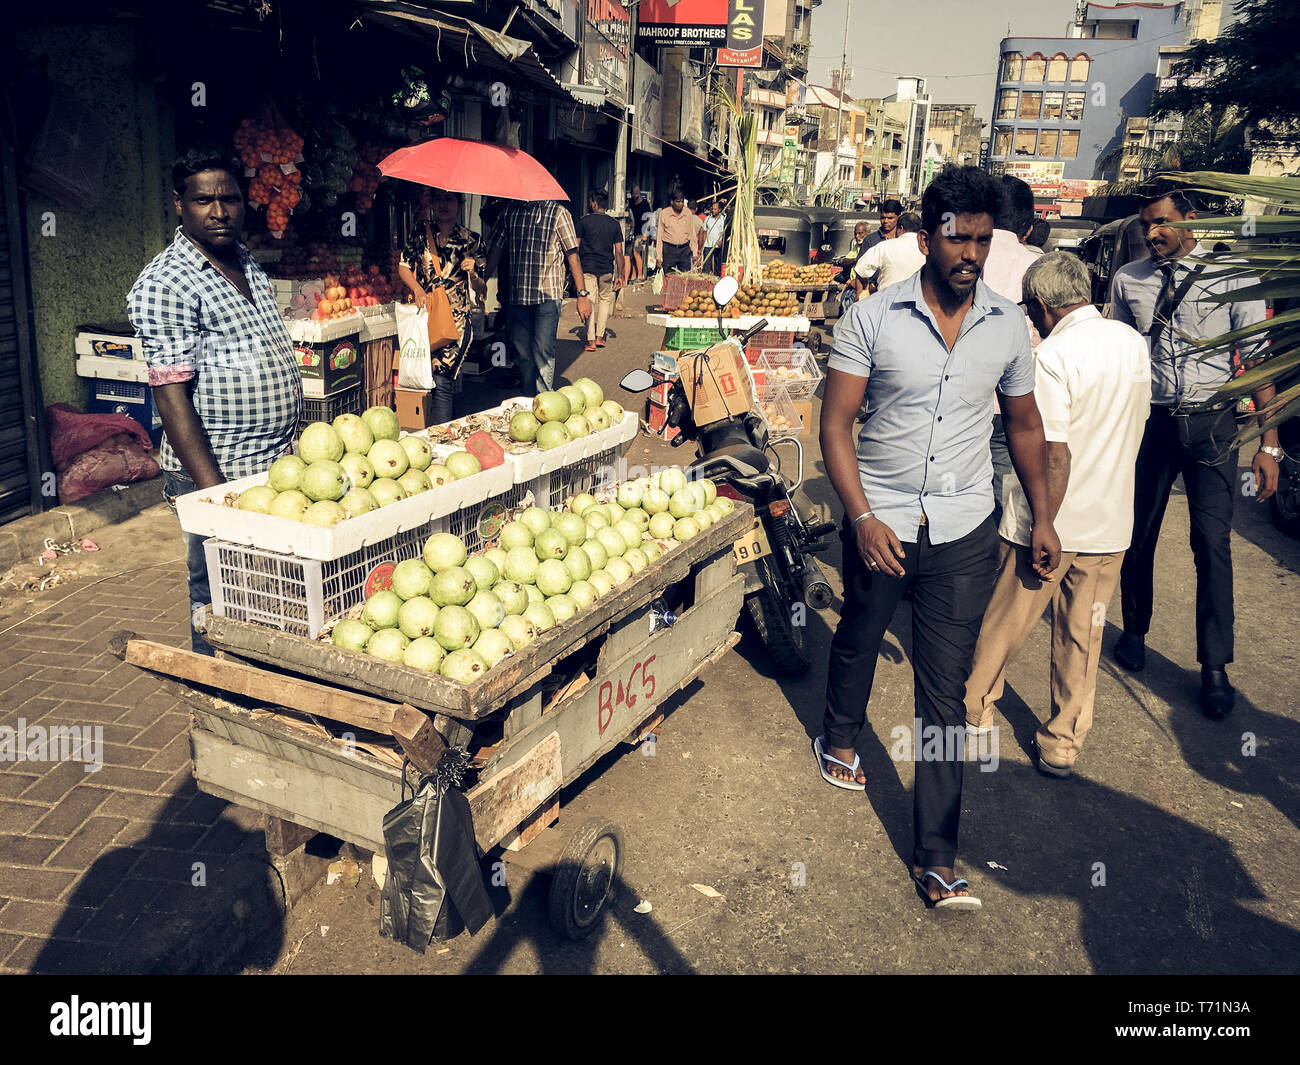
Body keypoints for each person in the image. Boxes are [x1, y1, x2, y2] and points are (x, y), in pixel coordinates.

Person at [817, 165, 1060, 909]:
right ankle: (838, 733)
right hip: (881, 519)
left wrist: (1043, 514)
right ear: (928, 237)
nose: (972, 255)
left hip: (962, 530)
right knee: (859, 631)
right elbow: (834, 425)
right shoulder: (873, 318)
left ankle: (937, 852)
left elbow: (1023, 425)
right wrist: (860, 519)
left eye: (984, 242)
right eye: (960, 239)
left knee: (944, 693)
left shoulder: (1006, 325)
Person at [963, 252, 1151, 776]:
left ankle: (976, 711)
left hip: (1048, 524)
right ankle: (1063, 744)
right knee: (1082, 636)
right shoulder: (1133, 344)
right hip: (1109, 521)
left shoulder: (1053, 356)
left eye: (1029, 309)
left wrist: (1043, 522)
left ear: (1043, 305)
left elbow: (1054, 451)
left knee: (1005, 621)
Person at [1107, 181, 1280, 718]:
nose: (1152, 232)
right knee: (1138, 533)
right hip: (1150, 422)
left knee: (1211, 543)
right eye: (1146, 224)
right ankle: (1134, 630)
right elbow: (1115, 355)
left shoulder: (1233, 278)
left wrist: (1269, 443)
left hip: (1213, 424)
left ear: (1190, 218)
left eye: (1161, 221)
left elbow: (1258, 361)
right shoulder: (1127, 281)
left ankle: (1214, 666)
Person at [127, 148, 302, 656]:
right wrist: (213, 496)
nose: (219, 211)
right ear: (179, 205)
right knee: (215, 591)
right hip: (217, 469)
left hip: (271, 465)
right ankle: (218, 696)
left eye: (229, 198)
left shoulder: (246, 262)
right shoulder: (167, 282)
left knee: (267, 584)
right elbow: (171, 395)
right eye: (204, 200)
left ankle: (263, 673)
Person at [983, 175, 1044, 524]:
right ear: (1029, 227)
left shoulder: (962, 259)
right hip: (1020, 400)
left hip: (961, 399)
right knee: (1007, 476)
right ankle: (1002, 552)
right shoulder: (1040, 267)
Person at [398, 188, 487, 422]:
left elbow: (482, 290)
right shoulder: (420, 234)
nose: (443, 205)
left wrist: (474, 273)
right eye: (438, 200)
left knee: (443, 379)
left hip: (456, 323)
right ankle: (440, 428)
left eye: (449, 199)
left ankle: (440, 434)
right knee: (429, 378)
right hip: (426, 317)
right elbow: (403, 266)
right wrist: (417, 288)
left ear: (459, 204)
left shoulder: (472, 240)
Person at [485, 199, 592, 394]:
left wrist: (582, 295)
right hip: (518, 297)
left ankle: (544, 400)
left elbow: (572, 255)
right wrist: (482, 281)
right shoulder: (509, 212)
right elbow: (496, 249)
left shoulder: (558, 213)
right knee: (523, 354)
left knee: (543, 352)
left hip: (548, 298)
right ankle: (529, 399)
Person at [577, 189, 625, 351]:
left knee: (589, 301)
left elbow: (575, 248)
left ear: (594, 203)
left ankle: (590, 341)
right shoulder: (614, 224)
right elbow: (619, 252)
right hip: (607, 268)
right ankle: (599, 337)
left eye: (591, 201)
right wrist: (621, 275)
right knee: (605, 301)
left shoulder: (583, 222)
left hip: (587, 268)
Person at [853, 211, 926, 295]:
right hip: (919, 301)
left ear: (900, 229)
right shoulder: (928, 249)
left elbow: (861, 269)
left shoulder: (885, 246)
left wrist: (865, 288)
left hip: (887, 300)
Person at [655, 190, 698, 274]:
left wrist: (695, 253)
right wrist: (659, 257)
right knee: (669, 278)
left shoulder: (688, 213)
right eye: (678, 202)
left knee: (685, 277)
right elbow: (659, 236)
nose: (680, 204)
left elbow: (692, 234)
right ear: (672, 202)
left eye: (682, 201)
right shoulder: (664, 214)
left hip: (684, 250)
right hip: (669, 250)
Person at [628, 186, 653, 283]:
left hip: (642, 232)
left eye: (636, 193)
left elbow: (649, 219)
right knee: (632, 255)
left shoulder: (645, 203)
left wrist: (646, 234)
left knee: (636, 253)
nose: (634, 196)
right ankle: (633, 275)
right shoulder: (631, 203)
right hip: (633, 232)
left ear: (638, 193)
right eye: (633, 194)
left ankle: (640, 275)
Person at [701, 200, 727, 276]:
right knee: (706, 267)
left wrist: (722, 241)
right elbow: (704, 232)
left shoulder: (723, 219)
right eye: (712, 209)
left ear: (719, 210)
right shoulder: (707, 219)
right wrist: (702, 245)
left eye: (715, 209)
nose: (713, 210)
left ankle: (716, 280)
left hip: (718, 246)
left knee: (717, 266)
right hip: (708, 245)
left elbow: (725, 233)